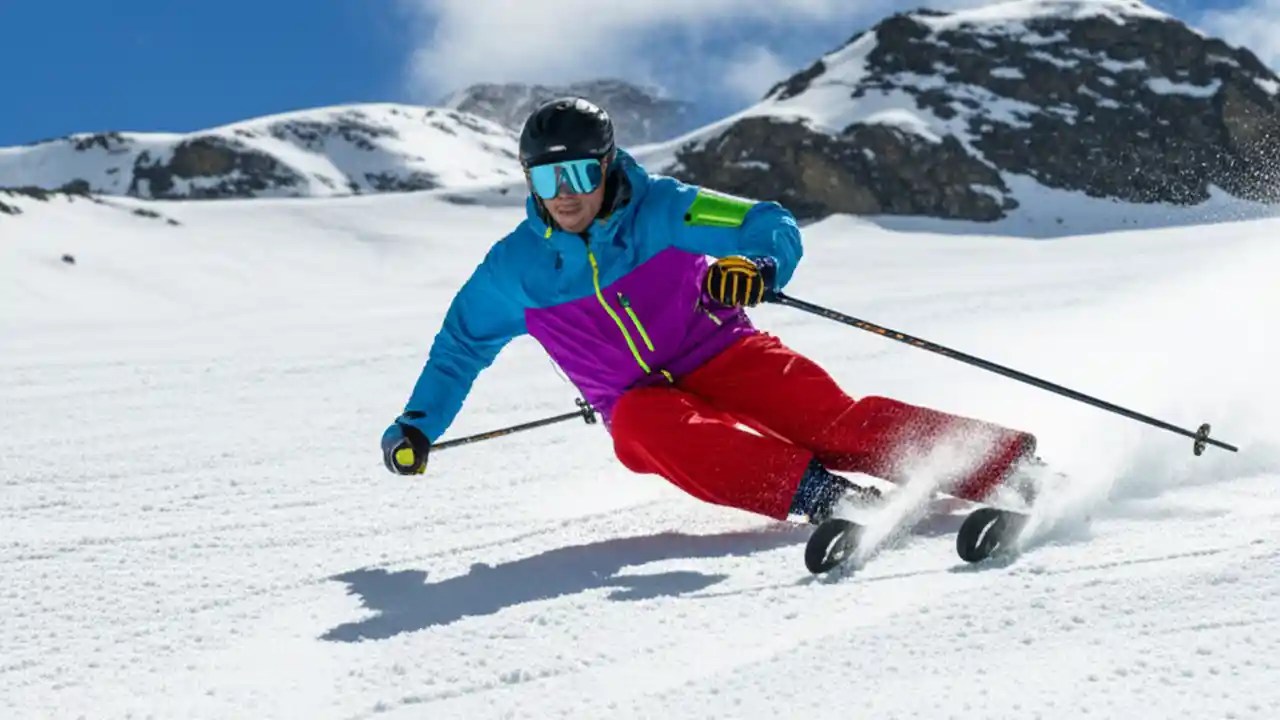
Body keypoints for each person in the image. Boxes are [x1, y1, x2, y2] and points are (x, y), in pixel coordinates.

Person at [381, 97, 1036, 525]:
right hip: (637, 396)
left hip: (728, 353)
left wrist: (756, 267)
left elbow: (766, 223)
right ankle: (823, 498)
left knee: (830, 423)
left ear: (607, 167)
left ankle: (1009, 467)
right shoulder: (512, 269)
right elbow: (459, 347)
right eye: (548, 180)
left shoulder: (664, 207)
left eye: (580, 174)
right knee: (639, 426)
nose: (566, 195)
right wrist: (417, 425)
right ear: (530, 182)